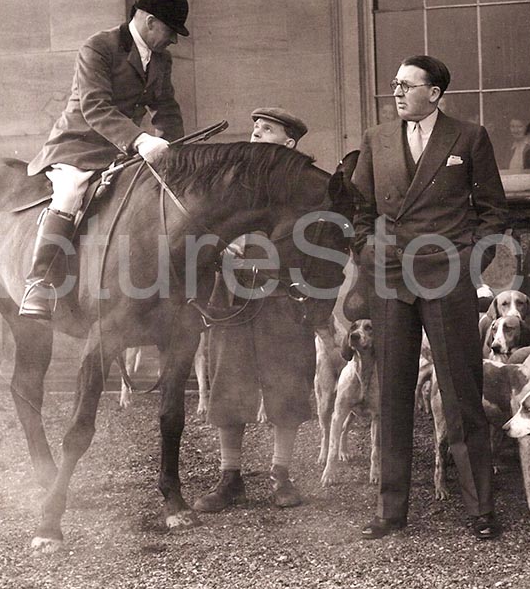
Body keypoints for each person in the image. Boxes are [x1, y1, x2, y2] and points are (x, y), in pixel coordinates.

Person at [351, 55, 507, 540]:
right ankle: (390, 510)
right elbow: (357, 209)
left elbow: (493, 212)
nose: (395, 92)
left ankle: (480, 509)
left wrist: (465, 266)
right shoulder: (376, 140)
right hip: (391, 280)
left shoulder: (468, 137)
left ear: (435, 93)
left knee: (461, 392)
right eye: (394, 84)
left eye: (406, 85)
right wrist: (365, 251)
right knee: (392, 393)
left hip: (446, 280)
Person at [19, 0, 189, 320]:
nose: (173, 40)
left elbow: (166, 109)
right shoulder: (99, 47)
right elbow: (95, 107)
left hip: (121, 152)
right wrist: (141, 140)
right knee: (68, 195)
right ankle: (39, 282)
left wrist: (178, 153)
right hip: (78, 147)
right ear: (151, 21)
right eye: (171, 31)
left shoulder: (161, 59)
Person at [193, 107, 323, 512]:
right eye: (253, 130)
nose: (255, 135)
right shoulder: (229, 182)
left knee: (286, 389)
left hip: (282, 299)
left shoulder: (305, 185)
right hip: (231, 297)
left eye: (265, 130)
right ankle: (230, 478)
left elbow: (315, 237)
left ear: (288, 143)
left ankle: (281, 474)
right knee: (228, 387)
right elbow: (198, 223)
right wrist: (219, 240)